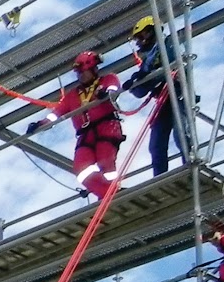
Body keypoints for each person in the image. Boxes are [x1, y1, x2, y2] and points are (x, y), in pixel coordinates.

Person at [26, 50, 124, 198]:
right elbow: (56, 114)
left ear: (94, 69)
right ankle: (106, 193)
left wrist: (106, 93)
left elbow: (113, 89)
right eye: (79, 73)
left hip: (107, 126)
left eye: (84, 71)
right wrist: (40, 124)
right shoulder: (72, 95)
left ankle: (113, 190)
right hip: (85, 135)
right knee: (81, 169)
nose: (81, 76)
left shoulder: (108, 79)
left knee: (105, 160)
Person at [122, 16, 188, 176]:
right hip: (163, 100)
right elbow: (140, 91)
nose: (139, 42)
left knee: (181, 134)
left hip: (177, 94)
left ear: (152, 31)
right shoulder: (149, 59)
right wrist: (135, 82)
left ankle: (190, 162)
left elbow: (171, 67)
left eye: (141, 36)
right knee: (156, 143)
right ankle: (159, 175)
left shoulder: (169, 44)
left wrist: (146, 78)